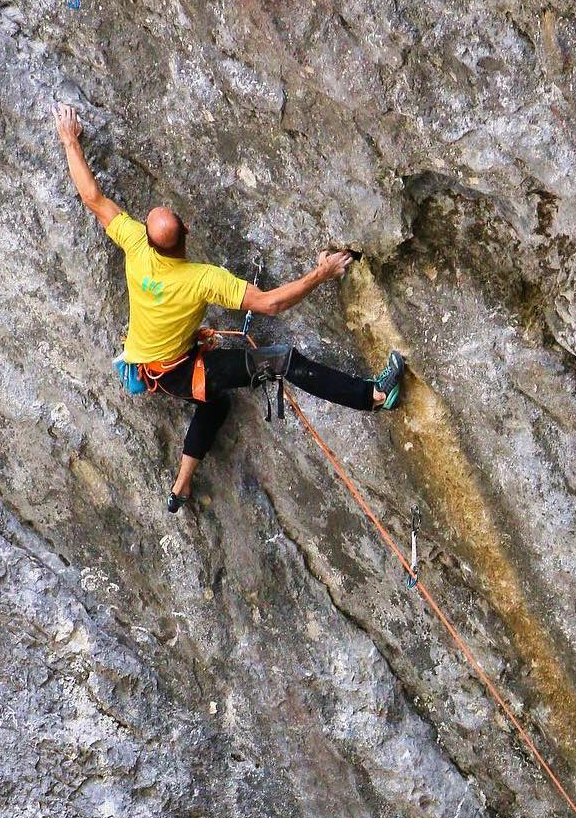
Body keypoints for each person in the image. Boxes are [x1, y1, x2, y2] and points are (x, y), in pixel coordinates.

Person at [54, 103, 405, 513]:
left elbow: (92, 197)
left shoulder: (134, 245)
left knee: (215, 402)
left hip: (152, 369)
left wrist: (69, 140)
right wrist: (321, 273)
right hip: (179, 370)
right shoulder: (202, 279)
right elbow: (271, 304)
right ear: (186, 232)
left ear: (147, 237)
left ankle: (180, 487)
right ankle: (376, 396)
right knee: (282, 361)